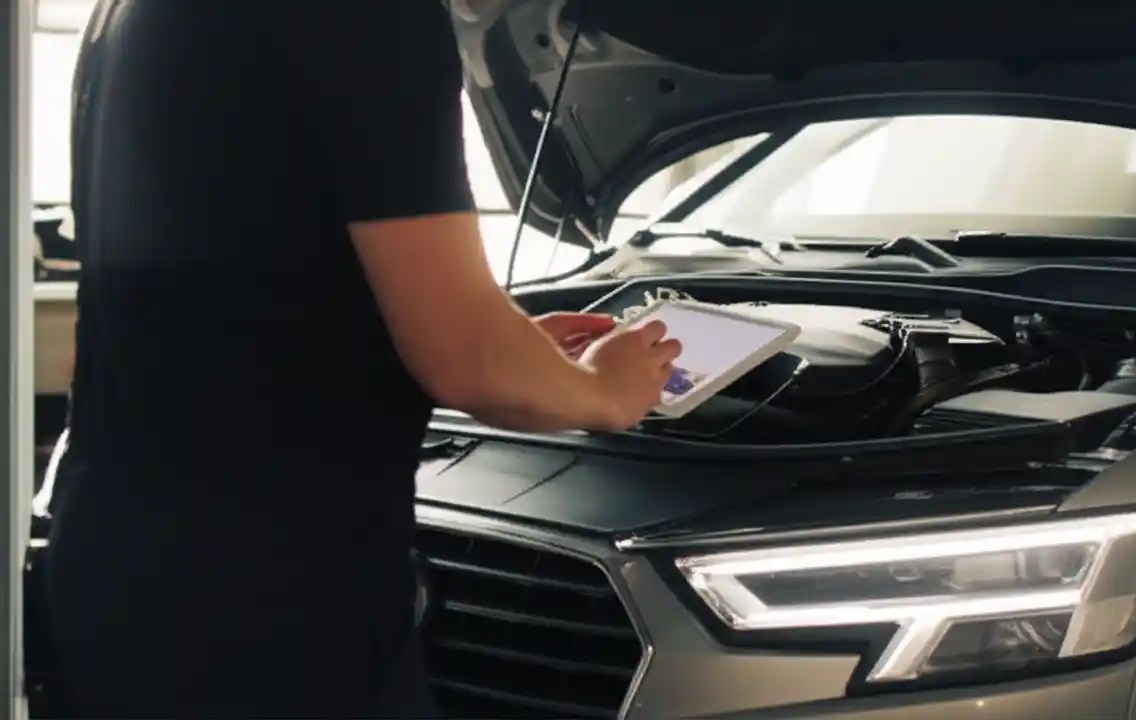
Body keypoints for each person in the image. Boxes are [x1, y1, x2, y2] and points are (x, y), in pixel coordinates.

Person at [43, 0, 681, 717]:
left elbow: (224, 287)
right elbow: (467, 360)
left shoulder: (130, 14)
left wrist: (514, 342)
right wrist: (603, 390)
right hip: (271, 597)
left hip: (117, 554)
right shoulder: (367, 17)